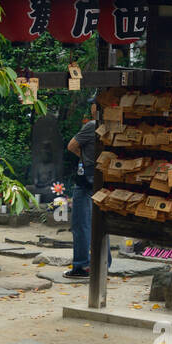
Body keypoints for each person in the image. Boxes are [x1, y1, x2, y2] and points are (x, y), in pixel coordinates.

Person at [64, 95, 111, 279]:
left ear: (96, 108)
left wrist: (84, 157)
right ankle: (104, 262)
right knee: (101, 222)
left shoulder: (92, 125)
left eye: (92, 104)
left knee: (81, 223)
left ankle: (82, 265)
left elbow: (71, 146)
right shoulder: (112, 126)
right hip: (103, 178)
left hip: (86, 180)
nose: (91, 108)